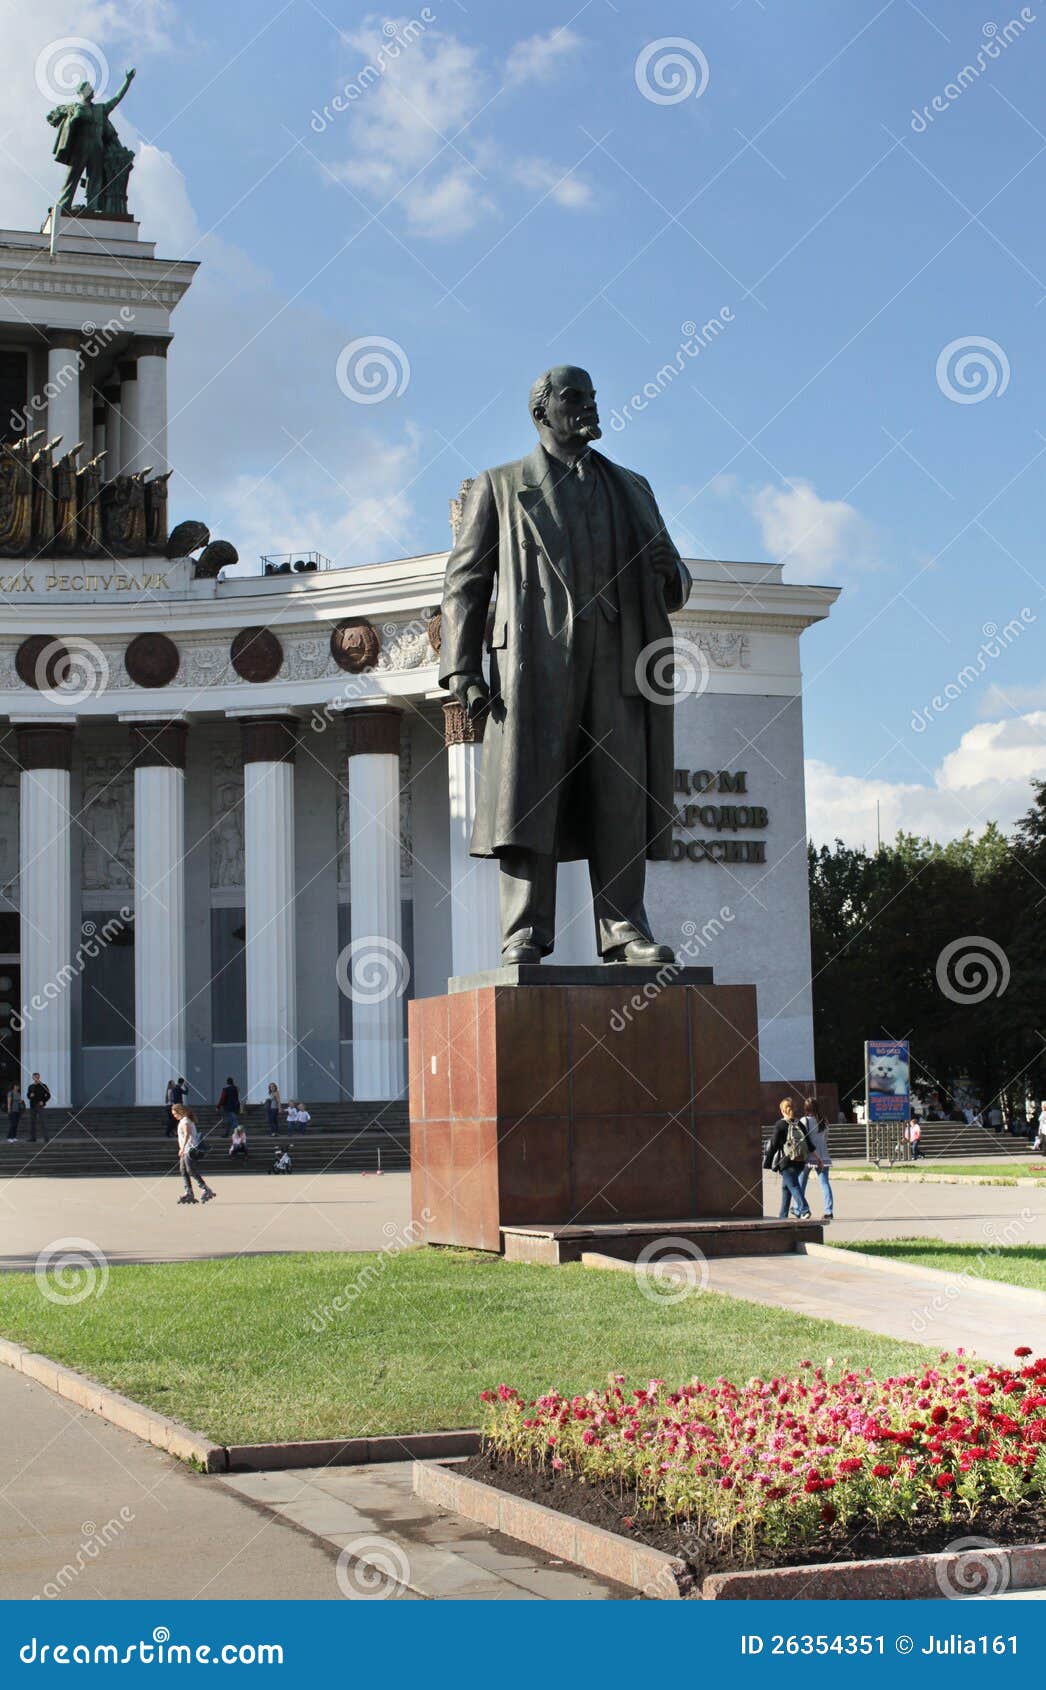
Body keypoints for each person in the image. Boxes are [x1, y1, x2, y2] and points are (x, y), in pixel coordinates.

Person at [439, 365, 688, 965]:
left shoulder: (632, 486)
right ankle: (525, 929)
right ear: (541, 411)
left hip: (619, 661)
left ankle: (625, 927)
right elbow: (465, 583)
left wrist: (666, 573)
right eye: (574, 397)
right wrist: (463, 672)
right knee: (529, 794)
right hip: (532, 665)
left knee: (619, 796)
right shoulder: (499, 487)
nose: (588, 407)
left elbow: (675, 586)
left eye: (593, 397)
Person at [763, 1097, 812, 1220]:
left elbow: (773, 1145)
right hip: (800, 1161)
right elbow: (809, 1143)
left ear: (782, 1110)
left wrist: (768, 1163)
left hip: (786, 1162)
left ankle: (804, 1209)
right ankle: (783, 1216)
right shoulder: (799, 1123)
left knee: (793, 1185)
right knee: (786, 1188)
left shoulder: (780, 1124)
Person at [797, 1095, 834, 1223]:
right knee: (825, 1184)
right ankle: (828, 1211)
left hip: (809, 1157)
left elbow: (802, 1139)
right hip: (824, 1157)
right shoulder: (824, 1120)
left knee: (801, 1183)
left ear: (806, 1108)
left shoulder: (804, 1121)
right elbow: (826, 1138)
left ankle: (798, 1208)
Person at [174, 1104, 216, 1206]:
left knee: (190, 1170)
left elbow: (187, 1134)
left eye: (175, 1113)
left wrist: (182, 1148)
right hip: (186, 1150)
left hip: (189, 1149)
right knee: (183, 1170)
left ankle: (206, 1189)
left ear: (180, 1111)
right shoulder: (184, 1120)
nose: (174, 1116)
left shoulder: (185, 1121)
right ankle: (189, 1192)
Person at [26, 1073, 51, 1143]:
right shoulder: (30, 1086)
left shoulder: (43, 1086)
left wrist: (43, 1101)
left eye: (37, 1077)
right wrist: (30, 1095)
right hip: (32, 1106)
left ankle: (46, 1138)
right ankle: (32, 1138)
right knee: (32, 1122)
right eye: (35, 1077)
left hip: (40, 1106)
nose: (36, 1078)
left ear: (39, 1077)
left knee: (43, 1122)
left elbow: (48, 1095)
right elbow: (28, 1095)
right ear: (33, 1078)